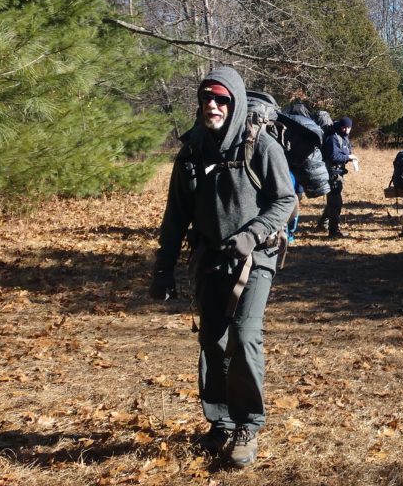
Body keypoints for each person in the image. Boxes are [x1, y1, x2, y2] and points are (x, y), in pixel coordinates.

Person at [150, 67, 296, 468]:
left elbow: (285, 201)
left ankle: (248, 424)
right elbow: (175, 215)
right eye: (206, 99)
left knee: (244, 337)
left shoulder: (261, 146)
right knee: (212, 342)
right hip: (208, 259)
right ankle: (222, 422)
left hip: (255, 259)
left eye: (221, 99)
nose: (212, 106)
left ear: (235, 103)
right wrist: (163, 268)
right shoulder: (192, 150)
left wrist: (251, 235)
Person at [322, 116, 356, 238]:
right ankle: (334, 232)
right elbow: (333, 156)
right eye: (344, 127)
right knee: (336, 203)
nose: (347, 130)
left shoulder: (343, 137)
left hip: (339, 172)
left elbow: (344, 152)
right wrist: (348, 158)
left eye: (349, 127)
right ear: (341, 126)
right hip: (333, 173)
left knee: (333, 199)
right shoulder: (333, 137)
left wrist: (349, 156)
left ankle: (322, 223)